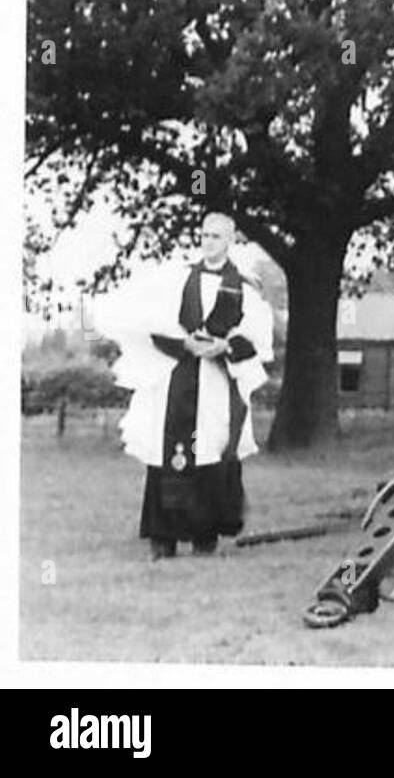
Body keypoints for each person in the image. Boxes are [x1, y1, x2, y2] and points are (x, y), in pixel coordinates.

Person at [114, 212, 274, 558]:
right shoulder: (176, 279)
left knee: (210, 450)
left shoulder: (242, 285)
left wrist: (225, 347)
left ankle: (205, 537)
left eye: (216, 236)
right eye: (203, 235)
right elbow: (152, 324)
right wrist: (183, 343)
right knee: (168, 451)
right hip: (177, 378)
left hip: (216, 381)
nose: (207, 241)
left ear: (230, 240)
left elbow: (258, 335)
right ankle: (163, 537)